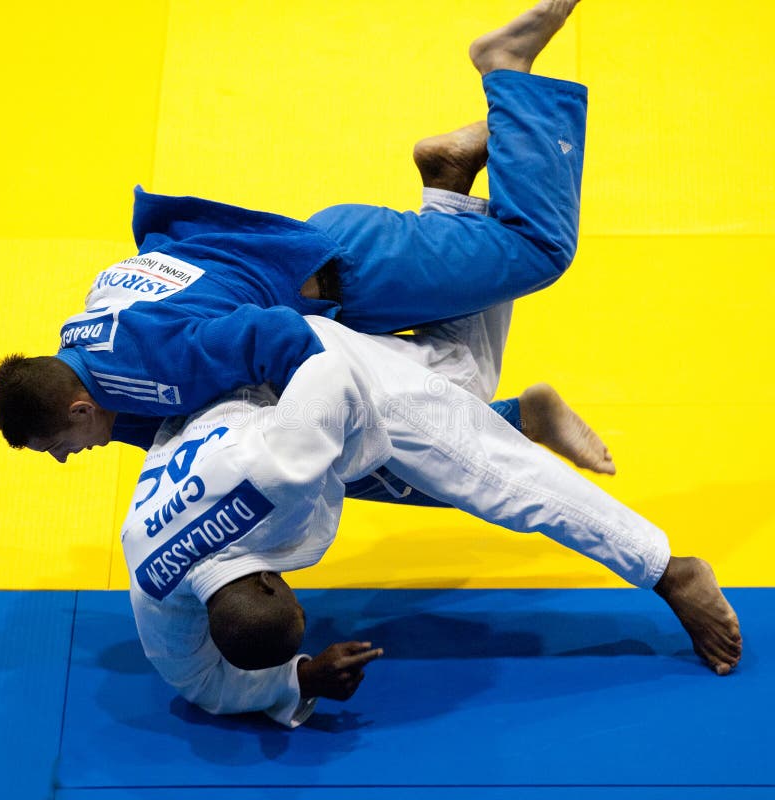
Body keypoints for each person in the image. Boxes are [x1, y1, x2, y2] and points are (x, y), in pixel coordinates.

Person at [117, 5, 742, 728]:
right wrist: (299, 678)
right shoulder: (154, 576)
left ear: (272, 581)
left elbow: (472, 458)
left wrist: (660, 567)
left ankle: (671, 572)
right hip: (271, 373)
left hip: (326, 338)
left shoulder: (277, 464)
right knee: (446, 446)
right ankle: (448, 191)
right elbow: (205, 682)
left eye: (295, 601)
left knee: (491, 446)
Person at [0, 0, 588, 460]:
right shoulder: (92, 338)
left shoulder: (150, 361)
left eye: (56, 450)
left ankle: (508, 70)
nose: (69, 460)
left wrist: (318, 424)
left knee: (538, 248)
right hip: (330, 272)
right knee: (424, 419)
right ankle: (448, 171)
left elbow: (273, 334)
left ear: (77, 410)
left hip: (361, 269)